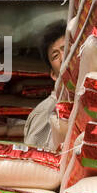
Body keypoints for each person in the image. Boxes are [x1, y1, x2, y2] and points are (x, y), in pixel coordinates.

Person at [22, 22, 67, 151]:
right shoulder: (46, 112)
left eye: (65, 49)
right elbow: (33, 161)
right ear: (53, 74)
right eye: (55, 56)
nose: (63, 57)